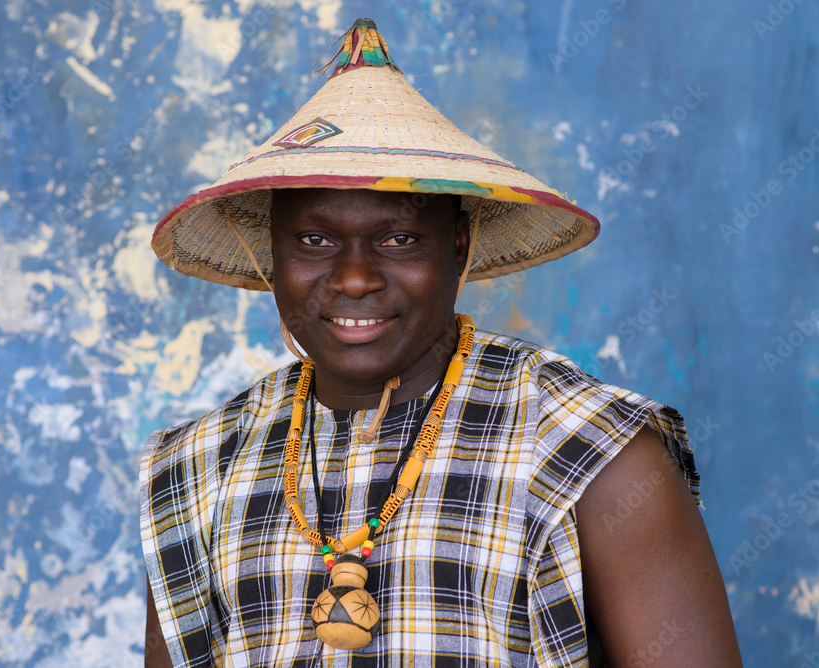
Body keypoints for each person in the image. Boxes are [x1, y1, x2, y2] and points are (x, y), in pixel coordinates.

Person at [139, 17, 742, 667]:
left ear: (458, 246)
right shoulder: (200, 466)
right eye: (314, 240)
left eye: (399, 239)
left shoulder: (585, 448)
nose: (354, 278)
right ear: (273, 255)